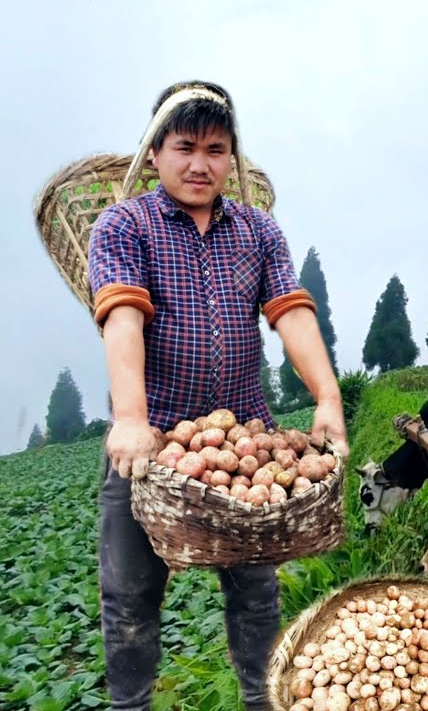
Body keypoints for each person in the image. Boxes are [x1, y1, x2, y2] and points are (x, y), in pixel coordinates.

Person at [88, 81, 347, 711]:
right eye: (184, 147)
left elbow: (291, 313)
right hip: (150, 445)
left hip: (246, 450)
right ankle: (131, 706)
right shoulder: (124, 225)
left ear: (233, 157)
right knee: (128, 597)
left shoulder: (258, 231)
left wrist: (327, 398)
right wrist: (130, 419)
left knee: (257, 595)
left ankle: (265, 702)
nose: (200, 164)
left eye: (216, 149)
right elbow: (121, 316)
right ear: (155, 153)